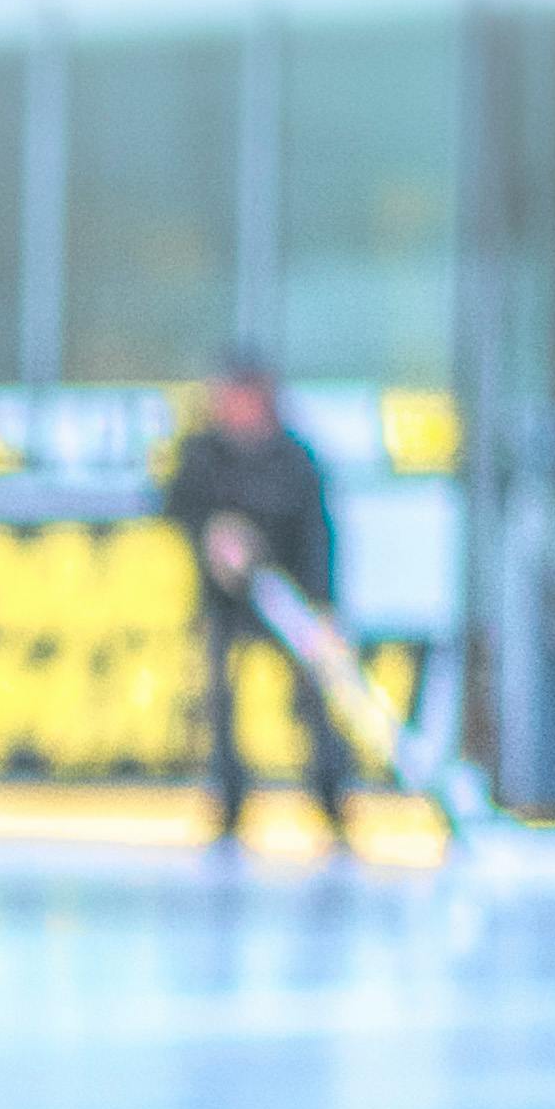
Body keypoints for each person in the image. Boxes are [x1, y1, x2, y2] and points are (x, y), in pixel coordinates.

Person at [165, 346, 352, 853]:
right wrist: (213, 532)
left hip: (287, 601)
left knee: (313, 704)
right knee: (221, 703)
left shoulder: (292, 458)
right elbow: (176, 502)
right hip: (226, 605)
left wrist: (322, 607)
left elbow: (319, 534)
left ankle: (332, 801)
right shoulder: (204, 453)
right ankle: (229, 804)